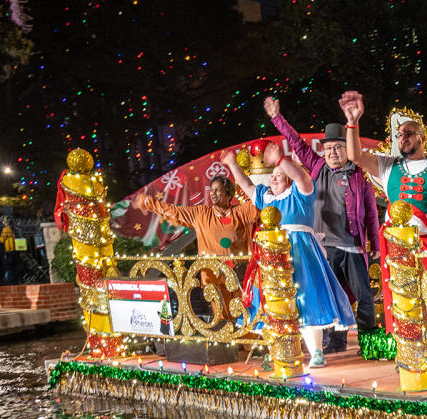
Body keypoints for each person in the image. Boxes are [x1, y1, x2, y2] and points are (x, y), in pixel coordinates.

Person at [221, 146, 354, 368]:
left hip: (301, 255)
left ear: (289, 180)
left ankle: (316, 352)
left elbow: (301, 177)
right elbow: (246, 185)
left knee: (307, 299)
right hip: (273, 257)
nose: (273, 179)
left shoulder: (300, 194)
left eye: (279, 176)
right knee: (273, 301)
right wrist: (232, 164)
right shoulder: (266, 198)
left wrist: (280, 160)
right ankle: (277, 350)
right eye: (272, 176)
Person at [264, 97, 380, 350]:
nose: (333, 153)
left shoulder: (359, 176)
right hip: (324, 247)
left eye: (338, 148)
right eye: (329, 148)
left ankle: (369, 343)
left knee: (364, 295)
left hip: (352, 246)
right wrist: (276, 118)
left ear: (347, 150)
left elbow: (371, 213)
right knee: (331, 295)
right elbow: (296, 142)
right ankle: (335, 342)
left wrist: (375, 242)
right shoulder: (317, 166)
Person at [340, 93, 427, 334]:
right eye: (400, 135)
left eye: (409, 133)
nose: (403, 138)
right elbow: (355, 156)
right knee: (404, 299)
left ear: (422, 137)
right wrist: (353, 122)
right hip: (399, 245)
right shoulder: (387, 165)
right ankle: (409, 342)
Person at [132, 176, 260, 322]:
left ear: (228, 193)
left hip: (239, 275)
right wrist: (149, 203)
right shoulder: (201, 214)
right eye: (211, 190)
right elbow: (174, 212)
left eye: (218, 190)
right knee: (223, 319)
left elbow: (262, 203)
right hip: (213, 277)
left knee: (246, 315)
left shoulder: (241, 211)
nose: (213, 193)